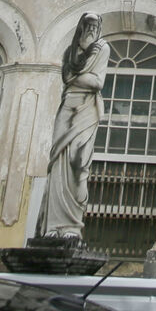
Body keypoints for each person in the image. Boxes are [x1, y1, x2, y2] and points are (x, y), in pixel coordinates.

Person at [38, 13, 109, 243]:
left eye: (95, 25)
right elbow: (67, 76)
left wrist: (75, 76)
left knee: (79, 164)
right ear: (80, 27)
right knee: (58, 164)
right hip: (66, 108)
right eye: (87, 25)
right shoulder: (70, 52)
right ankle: (53, 226)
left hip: (86, 110)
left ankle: (72, 225)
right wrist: (79, 76)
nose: (91, 29)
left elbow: (97, 82)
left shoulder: (101, 48)